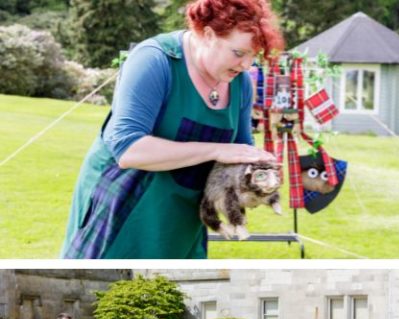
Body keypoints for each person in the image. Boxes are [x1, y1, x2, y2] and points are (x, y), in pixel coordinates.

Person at [61, 0, 283, 259]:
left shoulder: (242, 84)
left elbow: (239, 154)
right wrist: (217, 150)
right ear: (208, 35)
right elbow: (128, 149)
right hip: (122, 208)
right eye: (239, 53)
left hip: (183, 219)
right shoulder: (155, 60)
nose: (247, 65)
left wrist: (257, 178)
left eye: (253, 55)